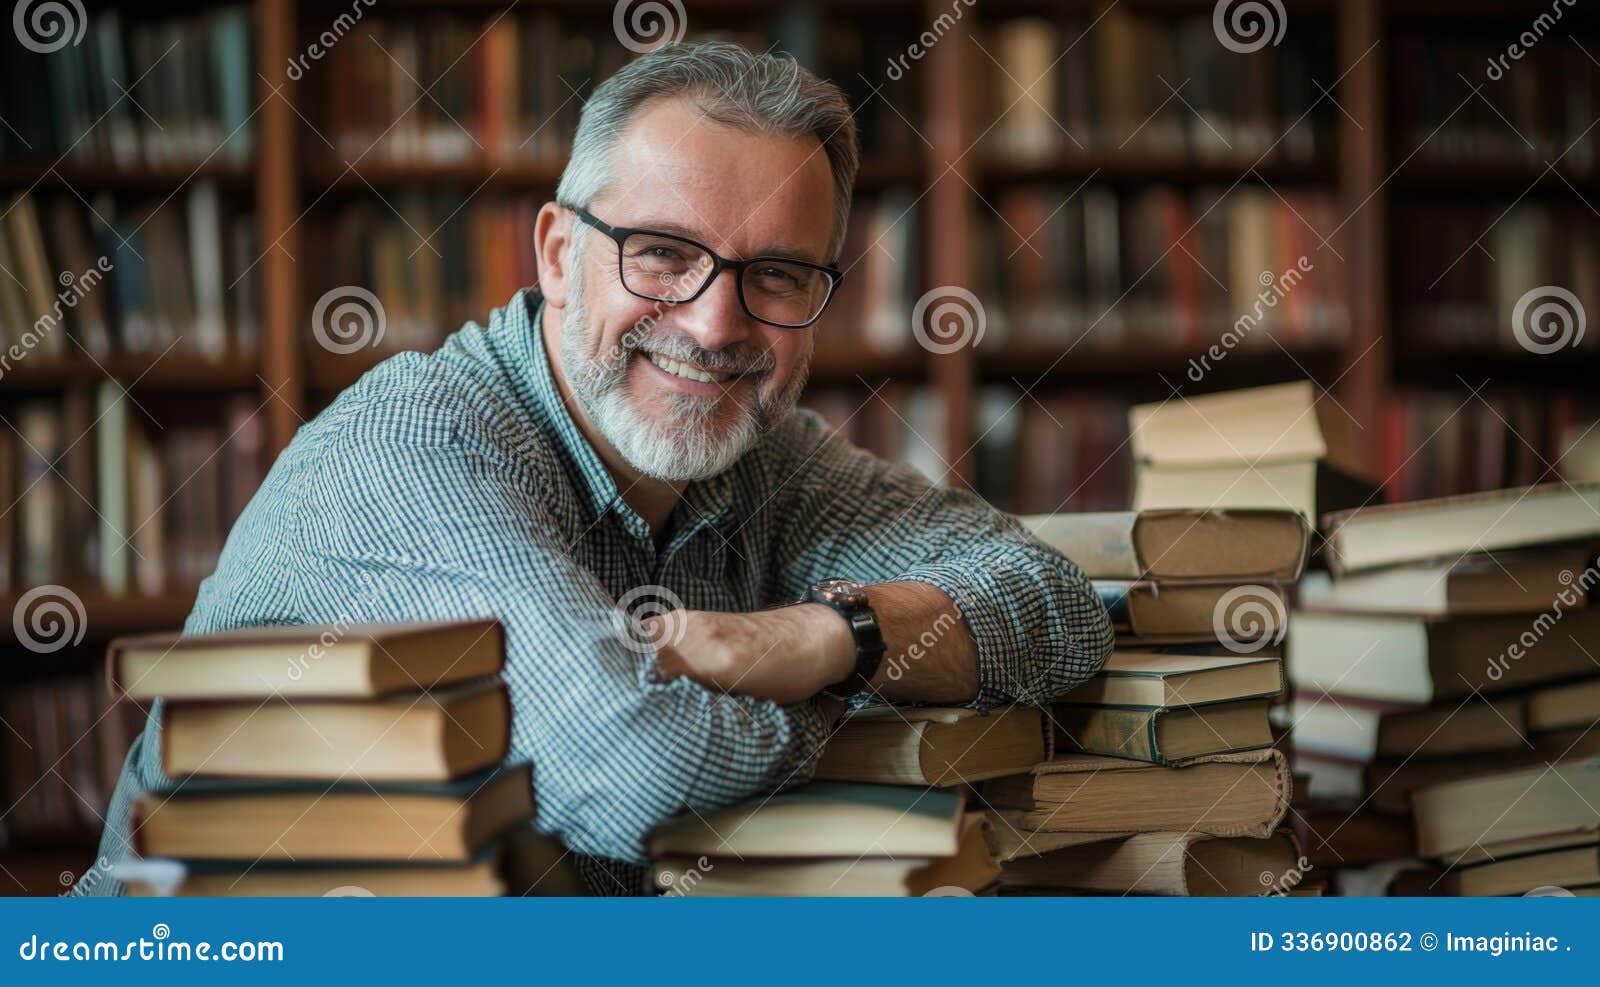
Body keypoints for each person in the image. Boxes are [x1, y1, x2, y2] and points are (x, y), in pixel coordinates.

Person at [85, 41, 1112, 896]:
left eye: (776, 274)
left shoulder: (768, 459)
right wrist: (861, 707)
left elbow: (1058, 606)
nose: (715, 325)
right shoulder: (411, 446)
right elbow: (639, 771)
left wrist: (821, 637)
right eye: (662, 253)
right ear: (555, 254)